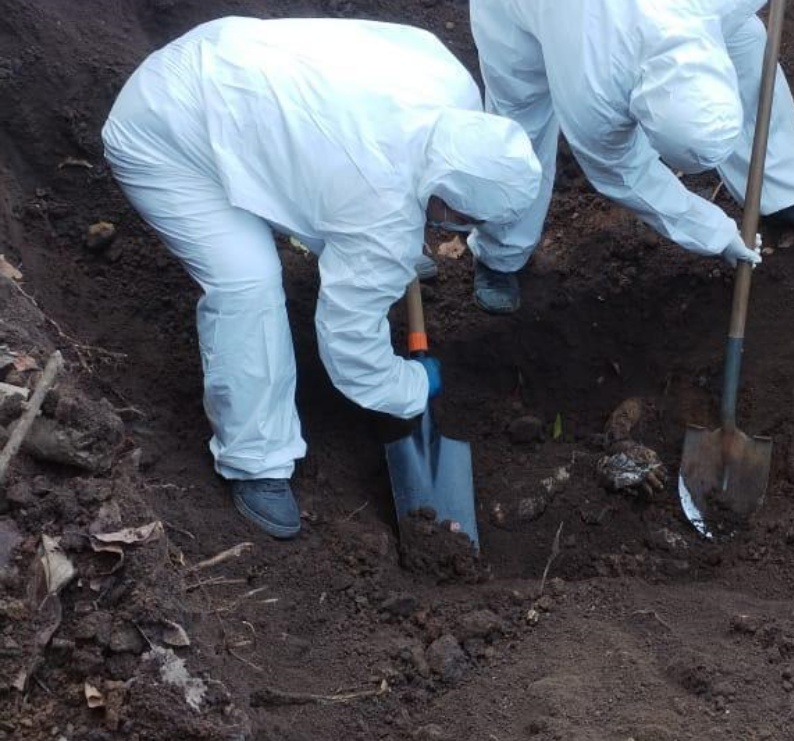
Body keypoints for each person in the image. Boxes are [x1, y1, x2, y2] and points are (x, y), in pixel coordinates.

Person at [102, 17, 542, 539]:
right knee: (248, 281)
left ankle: (363, 255)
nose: (453, 230)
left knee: (352, 223)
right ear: (443, 195)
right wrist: (409, 386)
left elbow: (361, 188)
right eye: (456, 220)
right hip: (165, 134)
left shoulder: (450, 86)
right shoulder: (379, 210)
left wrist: (388, 253)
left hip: (225, 61)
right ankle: (256, 461)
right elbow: (350, 348)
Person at [467, 0, 794, 314]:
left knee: (749, 43)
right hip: (518, 13)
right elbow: (622, 174)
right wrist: (716, 233)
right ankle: (501, 251)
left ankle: (780, 193)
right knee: (520, 124)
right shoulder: (593, 95)